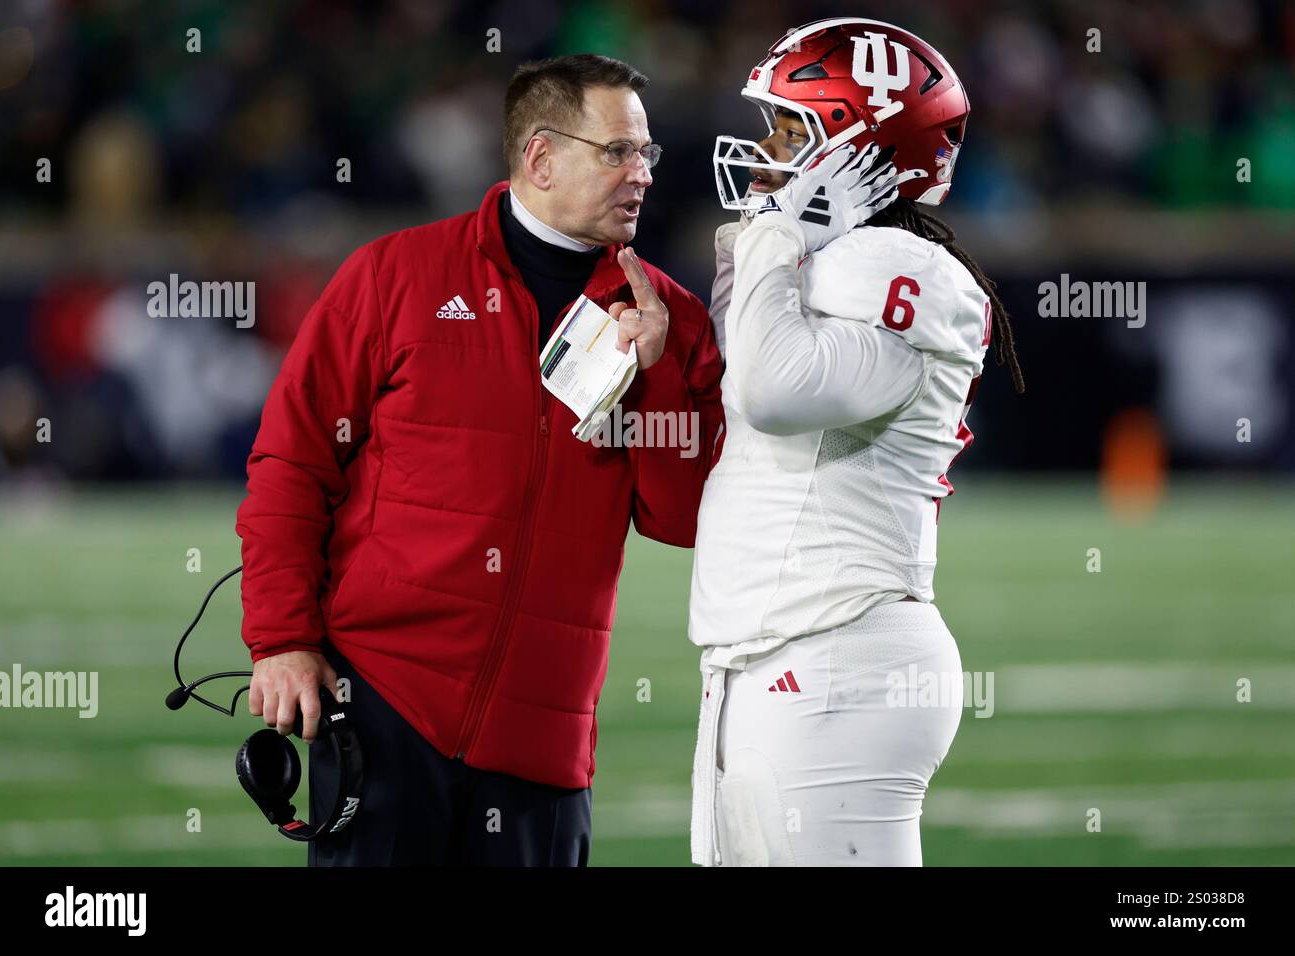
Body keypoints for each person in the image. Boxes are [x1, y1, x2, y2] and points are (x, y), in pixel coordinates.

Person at [235, 53, 725, 866]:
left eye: (648, 154)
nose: (641, 173)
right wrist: (282, 640)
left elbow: (677, 520)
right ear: (540, 157)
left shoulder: (671, 317)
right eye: (617, 152)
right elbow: (292, 463)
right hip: (383, 702)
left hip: (545, 728)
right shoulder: (392, 277)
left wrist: (660, 373)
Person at [691, 17, 1025, 866]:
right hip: (787, 651)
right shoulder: (842, 256)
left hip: (834, 650)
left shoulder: (881, 260)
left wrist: (773, 233)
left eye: (791, 126)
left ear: (857, 144)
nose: (766, 147)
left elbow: (772, 389)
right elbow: (747, 364)